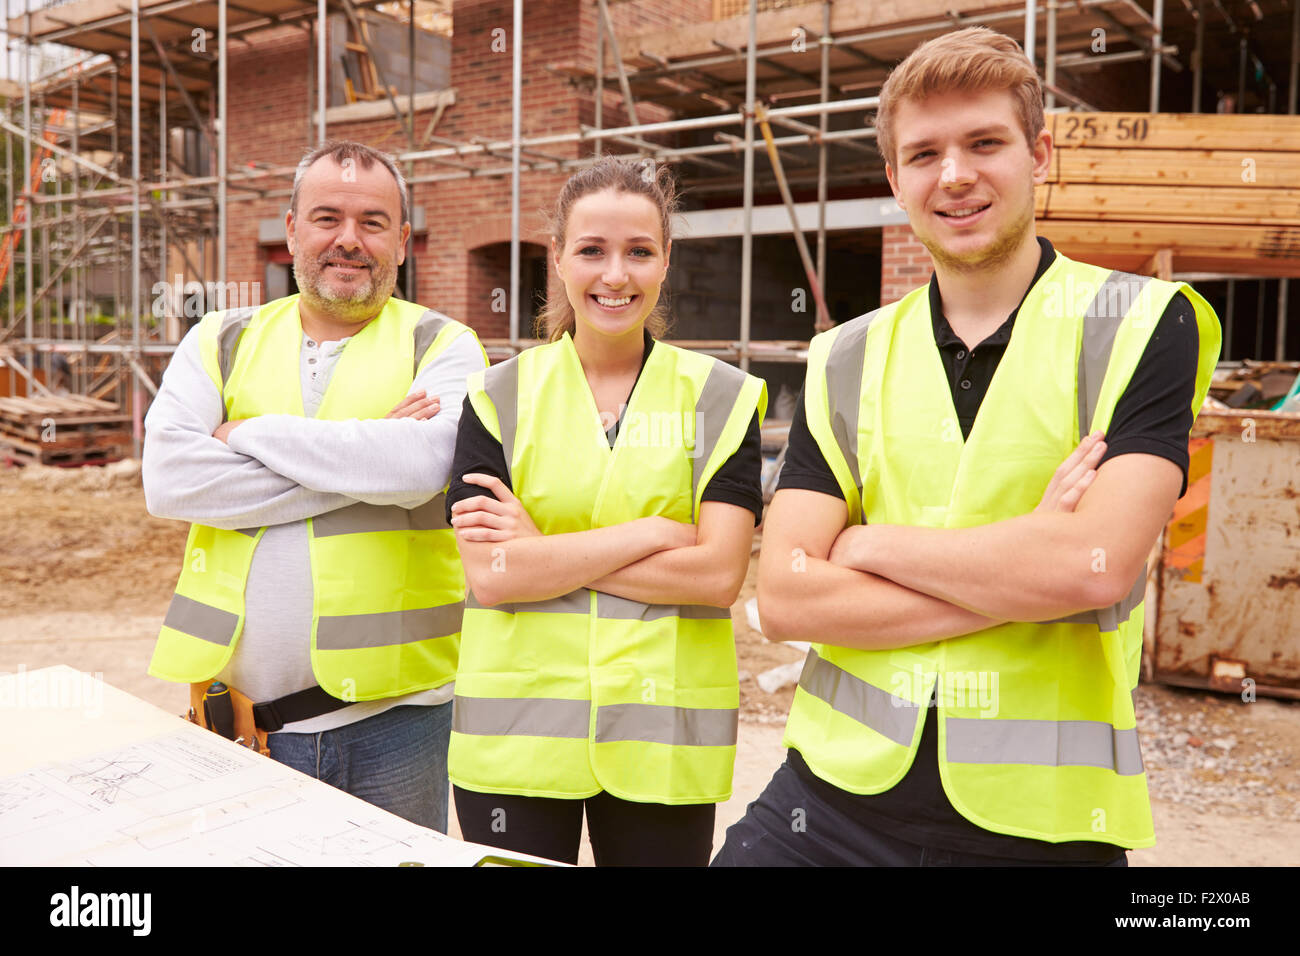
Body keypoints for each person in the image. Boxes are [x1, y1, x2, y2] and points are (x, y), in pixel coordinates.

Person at [713, 27, 1221, 867]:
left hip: (1044, 821)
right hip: (829, 802)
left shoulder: (1141, 322)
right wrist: (1028, 567)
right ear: (895, 180)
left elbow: (1092, 569)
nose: (954, 174)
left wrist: (869, 544)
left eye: (985, 142)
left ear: (1039, 154)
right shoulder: (845, 354)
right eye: (924, 154)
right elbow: (788, 598)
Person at [143, 140, 486, 832]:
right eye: (327, 217)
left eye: (373, 222)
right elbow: (170, 480)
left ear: (402, 239)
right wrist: (372, 460)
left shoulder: (443, 345)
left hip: (396, 726)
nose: (349, 241)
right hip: (237, 722)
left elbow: (426, 468)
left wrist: (242, 434)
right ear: (293, 228)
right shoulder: (221, 337)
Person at [444, 157, 767, 866]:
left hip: (662, 752)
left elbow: (716, 576)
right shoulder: (496, 397)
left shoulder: (720, 398)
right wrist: (650, 534)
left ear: (664, 261)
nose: (615, 275)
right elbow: (494, 576)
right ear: (557, 257)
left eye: (638, 252)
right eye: (591, 250)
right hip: (515, 748)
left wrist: (546, 553)